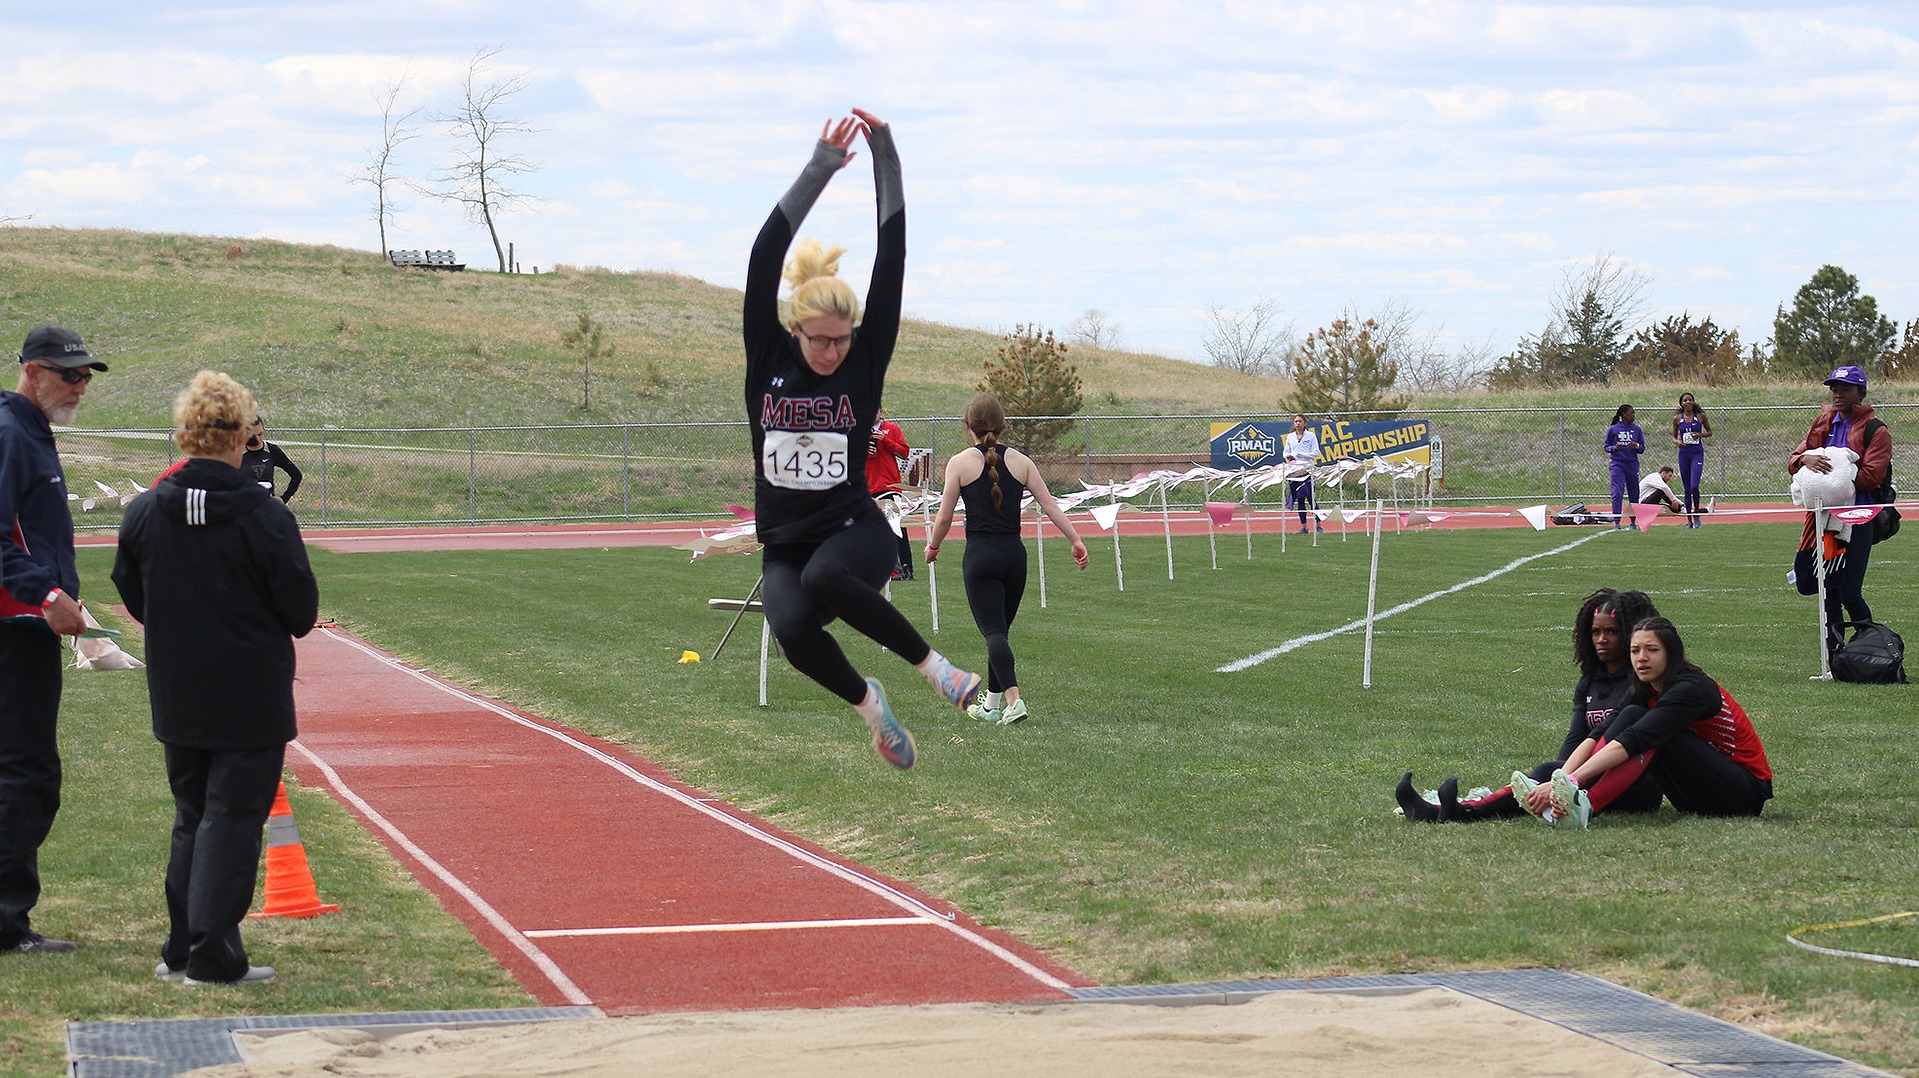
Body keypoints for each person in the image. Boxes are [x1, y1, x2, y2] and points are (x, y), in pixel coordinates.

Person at [742, 108, 981, 770]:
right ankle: (872, 709)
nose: (829, 351)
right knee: (788, 628)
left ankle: (936, 670)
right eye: (818, 339)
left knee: (828, 572)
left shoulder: (863, 363)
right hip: (785, 547)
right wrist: (820, 167)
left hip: (855, 529)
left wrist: (887, 161)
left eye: (840, 340)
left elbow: (892, 255)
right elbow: (764, 254)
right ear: (795, 330)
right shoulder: (766, 359)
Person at [111, 371, 319, 985]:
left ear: (184, 436)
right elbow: (300, 612)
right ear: (239, 436)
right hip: (249, 687)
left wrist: (178, 625)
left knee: (191, 812)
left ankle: (182, 947)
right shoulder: (262, 514)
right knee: (232, 815)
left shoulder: (147, 510)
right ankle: (211, 954)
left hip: (178, 684)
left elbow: (129, 588)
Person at [0, 325, 103, 956]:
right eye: (71, 374)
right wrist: (44, 594)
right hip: (14, 629)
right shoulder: (13, 434)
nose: (82, 384)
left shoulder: (30, 433)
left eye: (88, 374)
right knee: (25, 775)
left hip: (25, 623)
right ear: (34, 371)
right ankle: (7, 923)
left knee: (23, 772)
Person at [1396, 589, 1662, 823]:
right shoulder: (1589, 682)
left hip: (1635, 783)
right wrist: (1560, 775)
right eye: (1595, 632)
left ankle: (1462, 812)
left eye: (1611, 632)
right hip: (1586, 774)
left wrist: (1561, 777)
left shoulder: (1639, 682)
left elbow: (1608, 734)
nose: (1601, 639)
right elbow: (1575, 737)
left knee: (1549, 773)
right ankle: (1449, 810)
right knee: (1550, 772)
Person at [925, 393, 1090, 725]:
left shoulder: (958, 463)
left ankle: (1014, 701)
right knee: (999, 632)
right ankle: (991, 707)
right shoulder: (1022, 461)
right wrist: (1075, 539)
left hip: (981, 557)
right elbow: (1050, 505)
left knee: (994, 633)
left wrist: (933, 546)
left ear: (968, 427)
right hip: (1015, 557)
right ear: (1002, 426)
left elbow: (943, 518)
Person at [1519, 617, 1773, 828]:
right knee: (1625, 718)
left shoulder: (1691, 688)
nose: (1641, 658)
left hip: (1743, 796)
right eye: (1634, 650)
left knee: (1649, 729)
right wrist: (1561, 778)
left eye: (1652, 650)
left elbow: (1633, 740)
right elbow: (1600, 734)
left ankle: (1585, 804)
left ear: (1671, 654)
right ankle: (1481, 805)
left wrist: (1572, 781)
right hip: (1693, 798)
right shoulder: (1643, 687)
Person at [1788, 365, 1893, 655]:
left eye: (1845, 388)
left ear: (1861, 392)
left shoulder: (1876, 430)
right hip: (1822, 517)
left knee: (1850, 590)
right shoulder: (1823, 422)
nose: (1837, 393)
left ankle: (1874, 651)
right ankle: (1834, 656)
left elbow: (1872, 476)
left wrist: (1833, 475)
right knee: (1827, 590)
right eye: (1834, 388)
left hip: (1859, 517)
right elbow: (1794, 459)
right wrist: (1806, 461)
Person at [865, 408, 914, 580]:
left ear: (880, 411)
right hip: (868, 487)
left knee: (897, 528)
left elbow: (904, 452)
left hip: (890, 486)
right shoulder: (858, 430)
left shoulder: (891, 429)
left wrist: (886, 440)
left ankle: (906, 568)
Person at [1670, 392, 1712, 528]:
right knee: (1687, 488)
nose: (1688, 402)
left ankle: (1697, 515)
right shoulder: (1677, 418)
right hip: (1684, 454)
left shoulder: (1700, 416)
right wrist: (1678, 442)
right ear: (1681, 403)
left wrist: (1700, 435)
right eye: (1685, 400)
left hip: (1696, 454)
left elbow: (1710, 432)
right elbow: (1674, 437)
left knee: (1694, 486)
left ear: (1693, 402)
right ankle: (1689, 520)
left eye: (1690, 400)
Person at [242, 415, 303, 505]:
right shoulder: (236, 452)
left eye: (260, 434)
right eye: (253, 436)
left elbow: (296, 475)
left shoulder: (271, 450)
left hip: (267, 508)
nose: (258, 439)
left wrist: (284, 498)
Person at [1602, 404, 1644, 529]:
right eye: (1631, 413)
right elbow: (1606, 447)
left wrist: (1636, 446)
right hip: (1617, 464)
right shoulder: (1613, 429)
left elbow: (1642, 448)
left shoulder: (1637, 429)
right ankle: (1617, 522)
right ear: (1624, 414)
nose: (1633, 415)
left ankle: (1632, 522)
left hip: (1632, 464)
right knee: (1617, 493)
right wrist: (1615, 448)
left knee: (1634, 493)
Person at [1282, 414, 1321, 534]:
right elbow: (1286, 451)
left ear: (1305, 423)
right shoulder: (1290, 437)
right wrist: (1288, 456)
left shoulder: (1311, 436)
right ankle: (1304, 526)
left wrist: (1302, 455)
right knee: (1299, 498)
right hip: (1294, 471)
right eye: (1296, 421)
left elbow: (1316, 453)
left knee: (1310, 498)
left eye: (1300, 421)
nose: (1298, 423)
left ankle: (1318, 525)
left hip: (1307, 470)